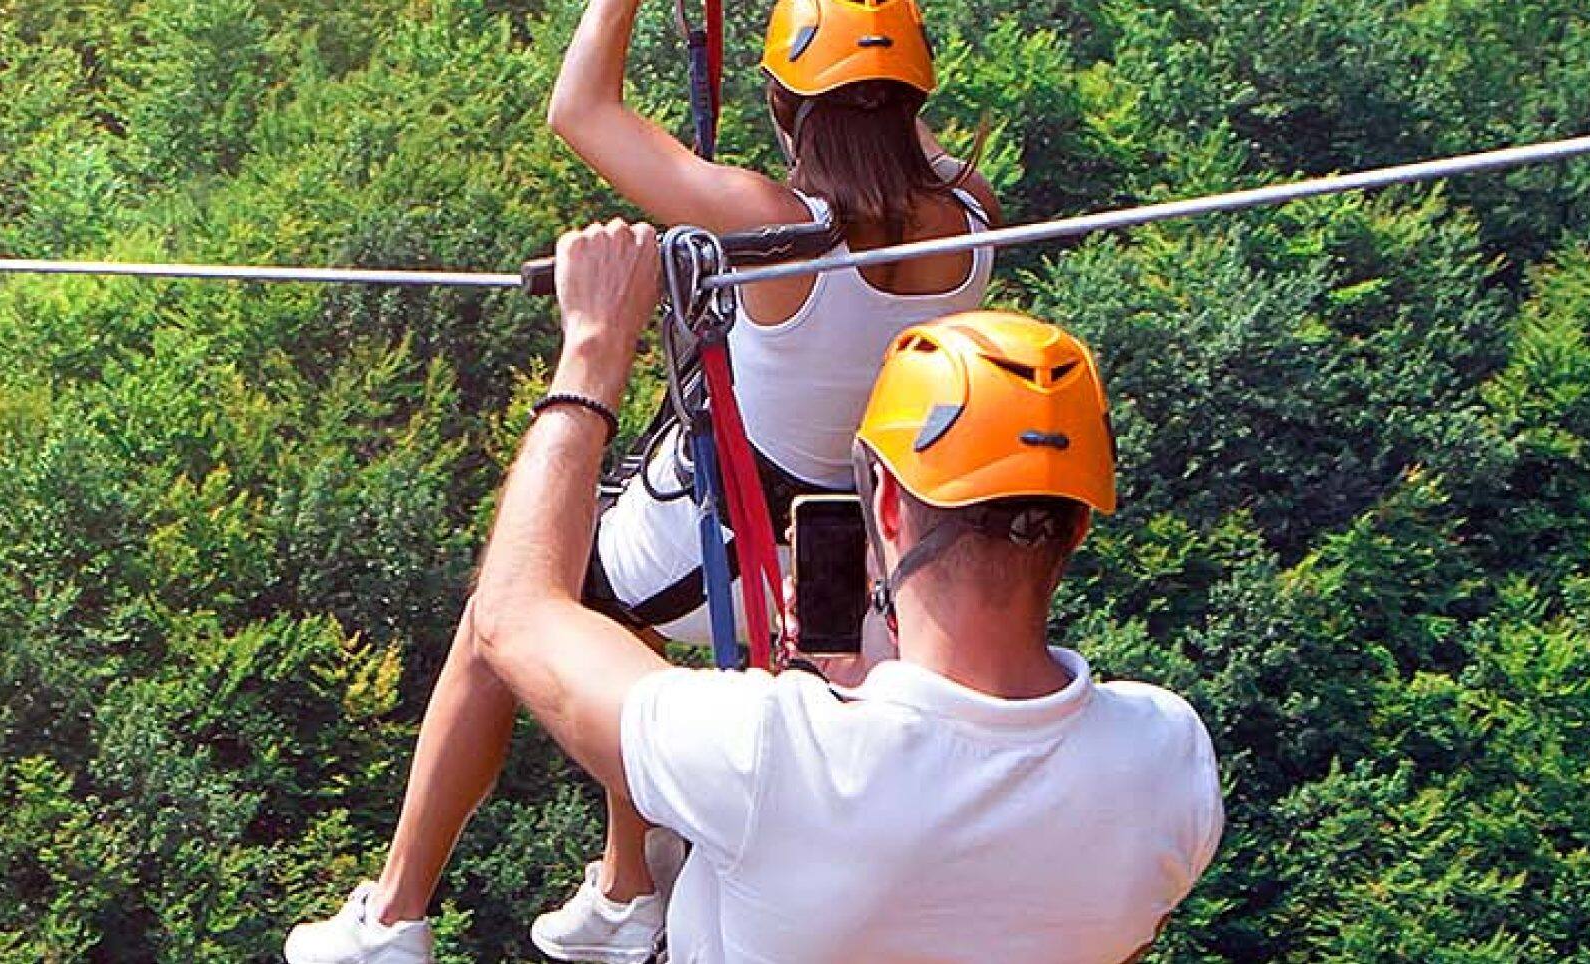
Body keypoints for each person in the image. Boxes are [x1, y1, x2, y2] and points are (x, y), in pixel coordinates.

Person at [286, 0, 1004, 959]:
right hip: (848, 548)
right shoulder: (969, 213)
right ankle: (628, 889)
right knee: (626, 645)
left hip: (735, 519)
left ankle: (395, 915)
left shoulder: (775, 222)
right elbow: (898, 133)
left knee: (505, 615)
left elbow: (580, 111)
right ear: (912, 96)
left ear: (787, 106)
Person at [466, 221, 1222, 960]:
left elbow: (513, 613)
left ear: (887, 507)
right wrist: (869, 687)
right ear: (1079, 525)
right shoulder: (1165, 761)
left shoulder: (774, 753)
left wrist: (593, 352)